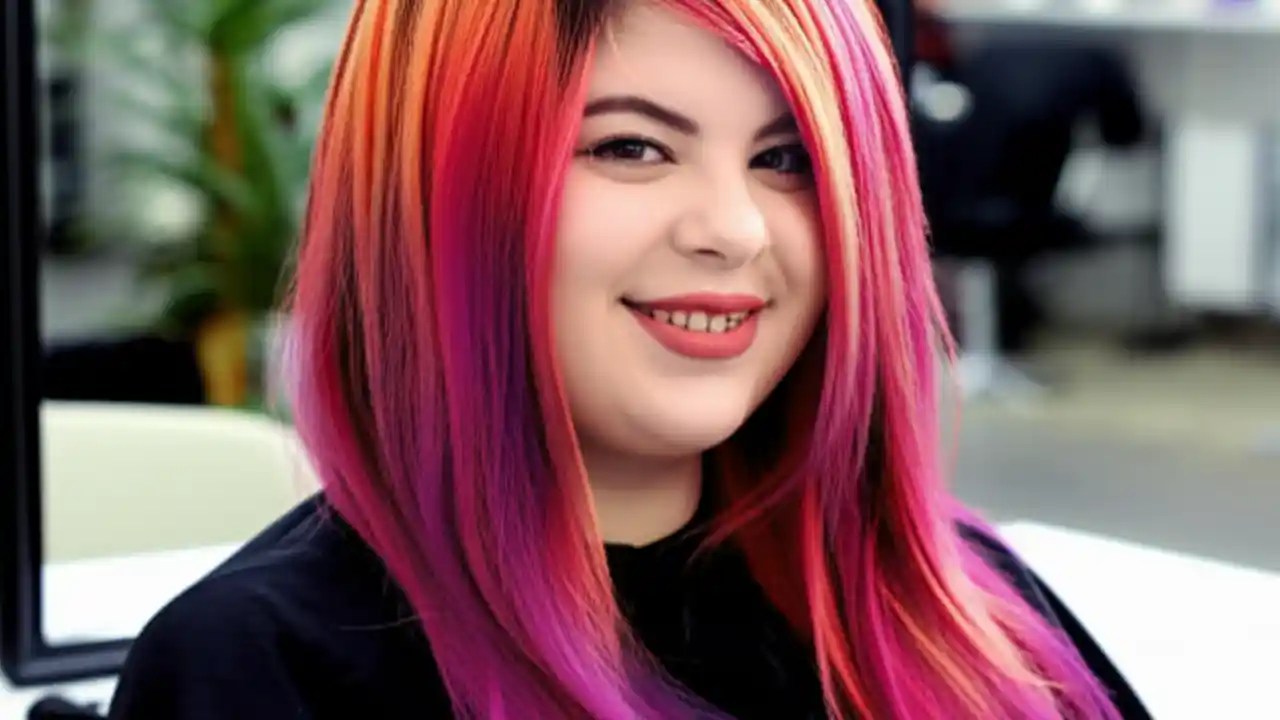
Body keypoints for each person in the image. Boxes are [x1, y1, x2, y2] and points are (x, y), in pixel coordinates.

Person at [107, 0, 1147, 718]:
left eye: (785, 159)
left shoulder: (954, 609)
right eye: (629, 147)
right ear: (437, 198)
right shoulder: (264, 672)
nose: (734, 230)